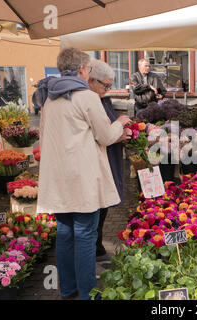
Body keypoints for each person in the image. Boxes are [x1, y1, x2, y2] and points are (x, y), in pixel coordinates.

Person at [36, 48, 131, 300]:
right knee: (85, 235)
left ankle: (68, 290)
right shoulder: (87, 97)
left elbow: (44, 138)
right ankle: (88, 294)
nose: (88, 72)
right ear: (81, 70)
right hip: (83, 181)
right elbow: (105, 135)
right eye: (88, 68)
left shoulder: (49, 97)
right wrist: (120, 123)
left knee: (65, 233)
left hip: (58, 179)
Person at [87, 59, 125, 261]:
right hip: (99, 160)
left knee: (104, 205)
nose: (107, 89)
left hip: (109, 157)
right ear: (92, 79)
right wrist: (119, 128)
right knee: (98, 205)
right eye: (105, 85)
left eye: (110, 86)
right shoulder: (88, 102)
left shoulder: (103, 100)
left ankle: (97, 244)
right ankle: (94, 247)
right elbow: (101, 135)